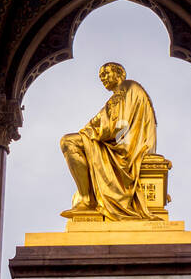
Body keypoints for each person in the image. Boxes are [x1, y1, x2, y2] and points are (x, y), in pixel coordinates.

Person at [59, 63, 157, 221]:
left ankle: (87, 199)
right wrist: (92, 131)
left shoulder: (129, 87)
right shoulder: (115, 98)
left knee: (68, 142)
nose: (102, 78)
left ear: (120, 73)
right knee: (69, 141)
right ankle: (87, 198)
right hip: (115, 143)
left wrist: (96, 134)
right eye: (100, 76)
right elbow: (94, 123)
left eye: (106, 73)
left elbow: (120, 125)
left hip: (124, 148)